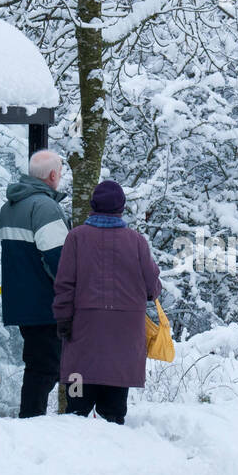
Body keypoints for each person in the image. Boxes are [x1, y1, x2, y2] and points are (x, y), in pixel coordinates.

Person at [53, 180, 161, 425]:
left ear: (93, 205)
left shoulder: (76, 237)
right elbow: (152, 286)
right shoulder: (136, 241)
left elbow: (64, 284)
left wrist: (62, 317)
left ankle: (74, 453)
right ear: (121, 208)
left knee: (76, 409)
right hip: (124, 336)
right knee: (113, 411)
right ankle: (113, 453)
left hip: (82, 332)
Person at [0, 149, 70, 417]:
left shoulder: (11, 206)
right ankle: (32, 421)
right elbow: (59, 259)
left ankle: (31, 418)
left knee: (37, 364)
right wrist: (70, 293)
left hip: (21, 301)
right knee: (45, 369)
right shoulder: (44, 207)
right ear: (53, 175)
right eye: (60, 174)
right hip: (44, 302)